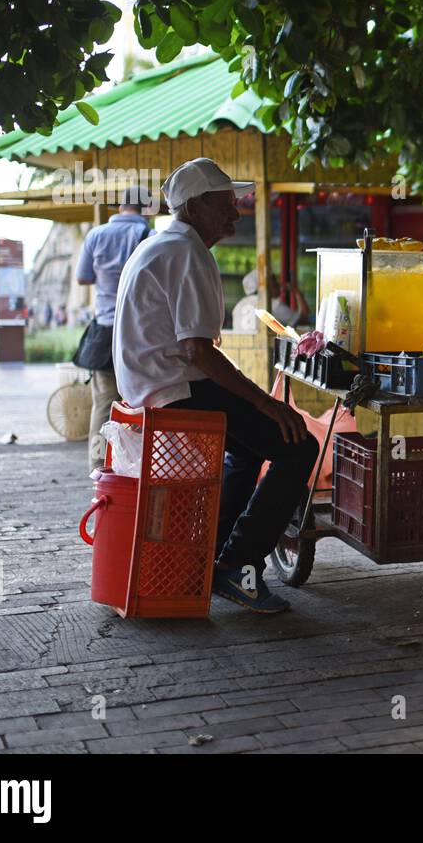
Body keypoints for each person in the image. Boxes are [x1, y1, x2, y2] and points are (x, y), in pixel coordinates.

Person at [114, 158, 316, 614]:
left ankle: (217, 558)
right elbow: (197, 352)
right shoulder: (185, 251)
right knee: (297, 445)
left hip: (155, 384)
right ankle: (238, 564)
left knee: (247, 450)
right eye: (226, 204)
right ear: (194, 206)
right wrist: (267, 404)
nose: (236, 214)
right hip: (176, 388)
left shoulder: (162, 245)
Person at [75, 186, 155, 470]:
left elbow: (83, 277)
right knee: (140, 403)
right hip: (138, 334)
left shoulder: (96, 235)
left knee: (103, 403)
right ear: (147, 209)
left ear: (120, 207)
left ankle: (98, 468)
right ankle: (135, 469)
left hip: (104, 329)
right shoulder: (149, 237)